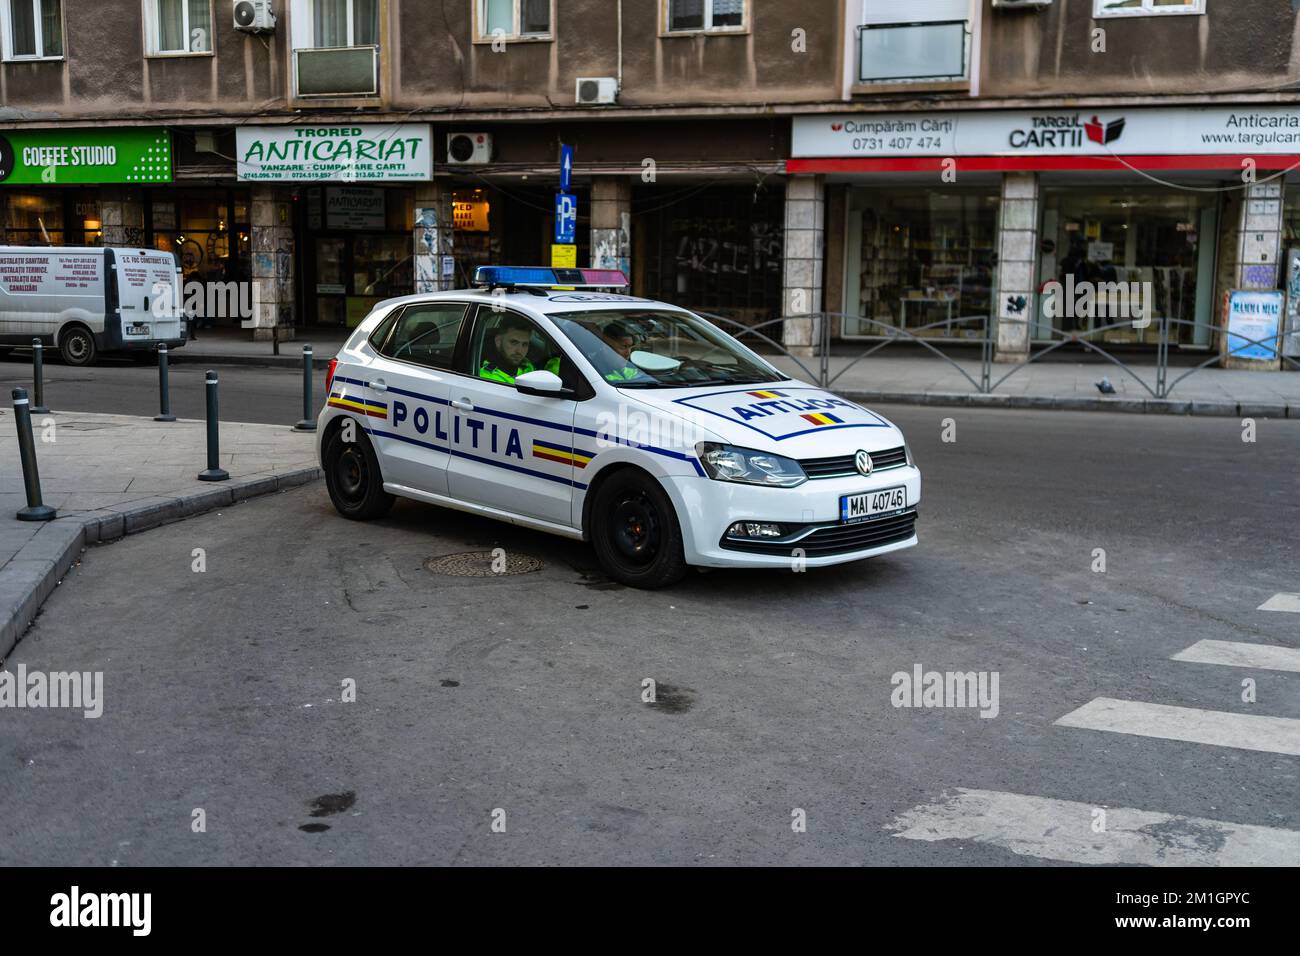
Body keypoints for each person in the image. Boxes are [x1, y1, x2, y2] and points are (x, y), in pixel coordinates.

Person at [479, 314, 560, 384]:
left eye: (525, 344)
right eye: (514, 343)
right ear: (498, 341)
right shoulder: (488, 377)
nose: (519, 351)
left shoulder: (527, 364)